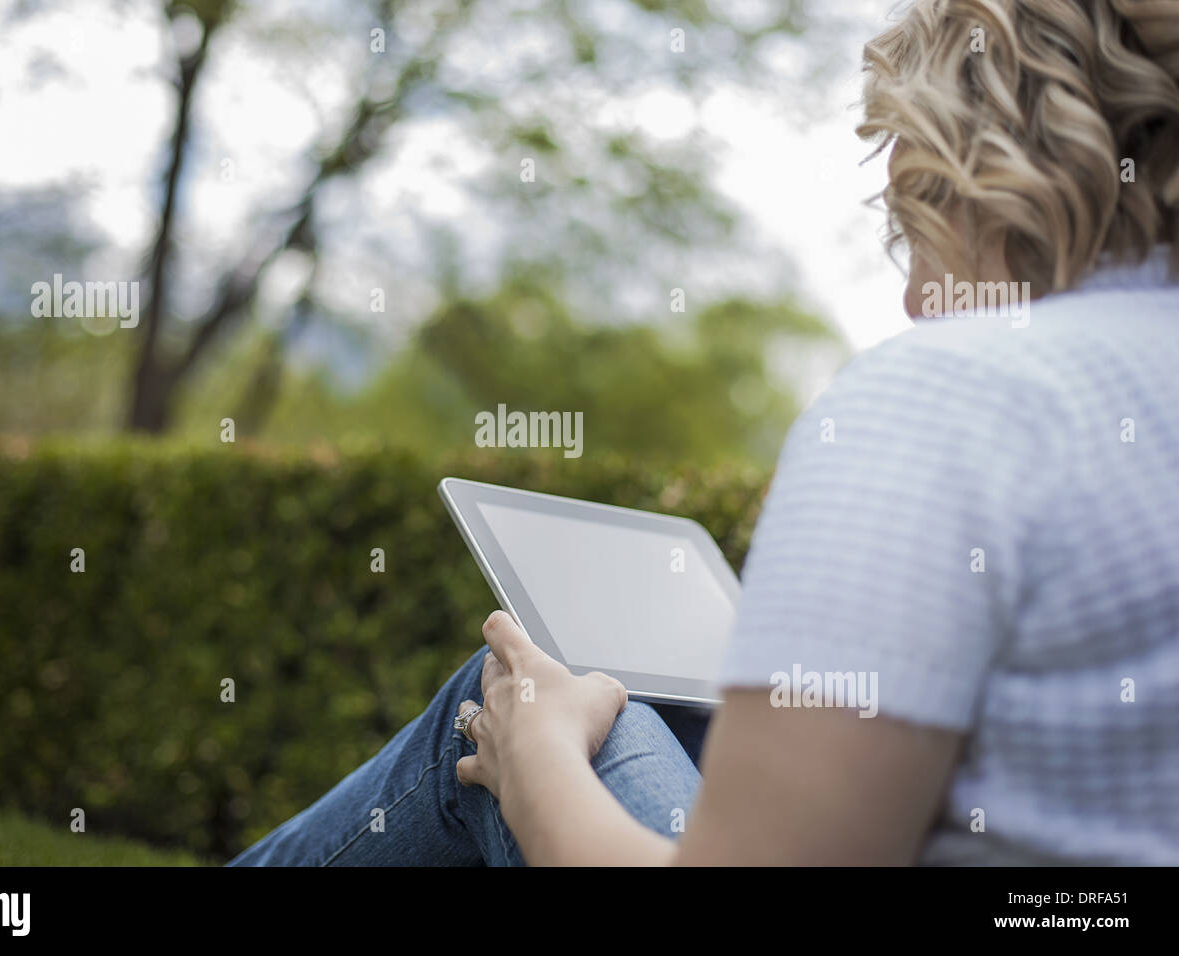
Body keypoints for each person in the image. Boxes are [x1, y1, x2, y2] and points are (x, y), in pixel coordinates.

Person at [230, 0, 1179, 866]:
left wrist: (537, 765)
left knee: (514, 696)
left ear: (984, 177)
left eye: (914, 223)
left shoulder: (948, 393)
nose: (914, 295)